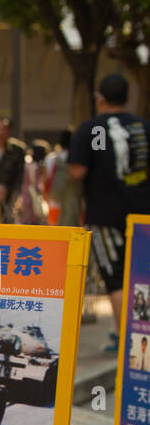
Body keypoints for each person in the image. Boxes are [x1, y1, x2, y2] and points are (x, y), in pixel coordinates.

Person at [68, 73, 150, 350]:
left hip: (105, 215)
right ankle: (142, 335)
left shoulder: (94, 129)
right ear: (127, 98)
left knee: (115, 278)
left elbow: (77, 170)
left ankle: (128, 340)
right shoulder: (142, 127)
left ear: (99, 98)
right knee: (140, 276)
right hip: (142, 214)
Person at [0, 117, 27, 222]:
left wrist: (12, 194)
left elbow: (20, 177)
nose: (0, 132)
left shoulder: (18, 151)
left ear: (9, 131)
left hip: (10, 200)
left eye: (4, 129)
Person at [43, 128, 71, 224]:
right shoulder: (76, 158)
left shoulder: (51, 158)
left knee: (54, 226)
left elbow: (45, 179)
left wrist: (45, 196)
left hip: (54, 197)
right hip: (71, 198)